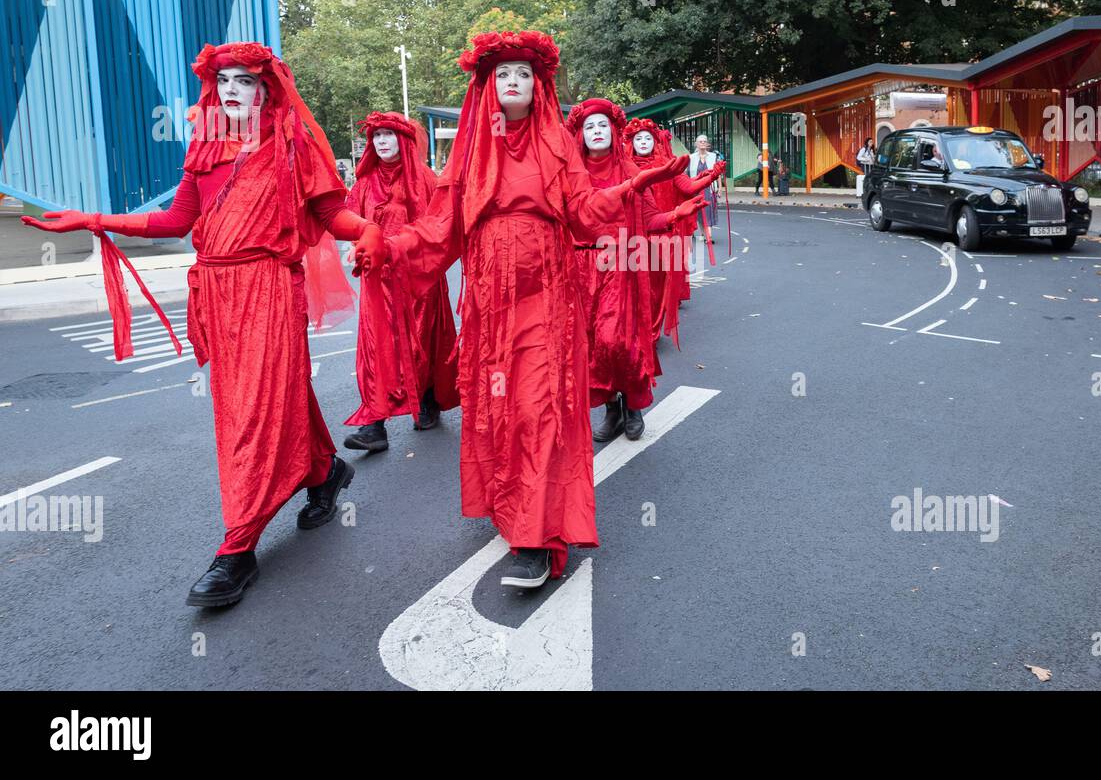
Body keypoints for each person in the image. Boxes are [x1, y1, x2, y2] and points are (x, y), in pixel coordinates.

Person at [22, 42, 384, 608]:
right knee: (270, 400)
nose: (234, 88)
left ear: (267, 90)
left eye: (246, 79)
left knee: (252, 415)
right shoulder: (204, 149)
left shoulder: (293, 148)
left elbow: (330, 215)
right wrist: (95, 219)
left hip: (268, 289)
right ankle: (324, 472)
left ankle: (237, 547)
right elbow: (175, 219)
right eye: (224, 80)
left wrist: (367, 230)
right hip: (216, 293)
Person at [353, 31, 686, 589]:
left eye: (524, 74)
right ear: (487, 85)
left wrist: (631, 186)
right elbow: (441, 225)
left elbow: (582, 213)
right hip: (488, 298)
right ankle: (511, 504)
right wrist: (389, 244)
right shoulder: (469, 150)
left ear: (539, 85)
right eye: (503, 73)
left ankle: (536, 537)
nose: (514, 81)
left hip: (546, 295)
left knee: (536, 405)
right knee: (500, 407)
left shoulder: (558, 141)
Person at [567, 102, 704, 442]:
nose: (596, 131)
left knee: (618, 342)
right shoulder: (569, 176)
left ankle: (632, 404)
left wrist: (674, 216)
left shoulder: (630, 171)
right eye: (589, 127)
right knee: (592, 346)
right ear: (580, 136)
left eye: (602, 125)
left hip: (622, 266)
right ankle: (611, 409)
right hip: (580, 270)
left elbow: (650, 219)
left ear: (613, 131)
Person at [342, 111, 458, 454]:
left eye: (388, 135)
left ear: (403, 140)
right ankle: (375, 425)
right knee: (377, 350)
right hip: (377, 280)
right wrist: (356, 247)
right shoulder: (364, 183)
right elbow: (351, 221)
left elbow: (436, 227)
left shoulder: (423, 178)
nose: (381, 142)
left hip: (417, 278)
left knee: (417, 345)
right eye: (376, 136)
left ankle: (427, 397)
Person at [625, 118, 721, 347]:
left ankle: (650, 332)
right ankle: (631, 330)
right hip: (630, 235)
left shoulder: (667, 164)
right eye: (638, 138)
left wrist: (712, 176)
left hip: (662, 230)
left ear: (655, 141)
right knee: (631, 285)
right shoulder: (622, 166)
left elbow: (688, 187)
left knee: (656, 287)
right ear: (631, 142)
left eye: (648, 137)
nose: (644, 142)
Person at [688, 134, 719, 240]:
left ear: (707, 144)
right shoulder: (691, 158)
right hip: (695, 189)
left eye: (704, 141)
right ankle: (702, 234)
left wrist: (720, 189)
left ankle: (708, 236)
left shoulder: (713, 157)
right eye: (700, 141)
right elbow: (686, 174)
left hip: (709, 189)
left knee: (707, 210)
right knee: (699, 212)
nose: (702, 143)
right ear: (696, 144)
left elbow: (717, 173)